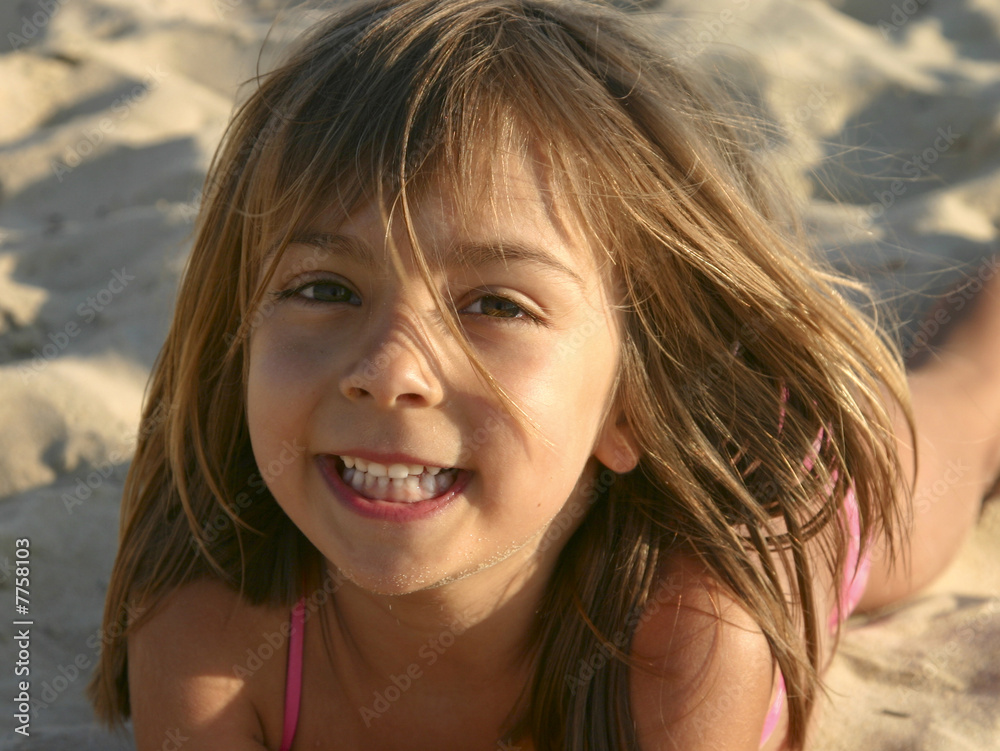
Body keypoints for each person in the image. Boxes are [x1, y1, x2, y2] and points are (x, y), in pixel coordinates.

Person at [86, 0, 1000, 748]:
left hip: (768, 495)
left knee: (957, 412)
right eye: (324, 287)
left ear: (634, 400)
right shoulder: (207, 642)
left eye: (495, 305)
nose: (388, 371)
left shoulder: (693, 637)